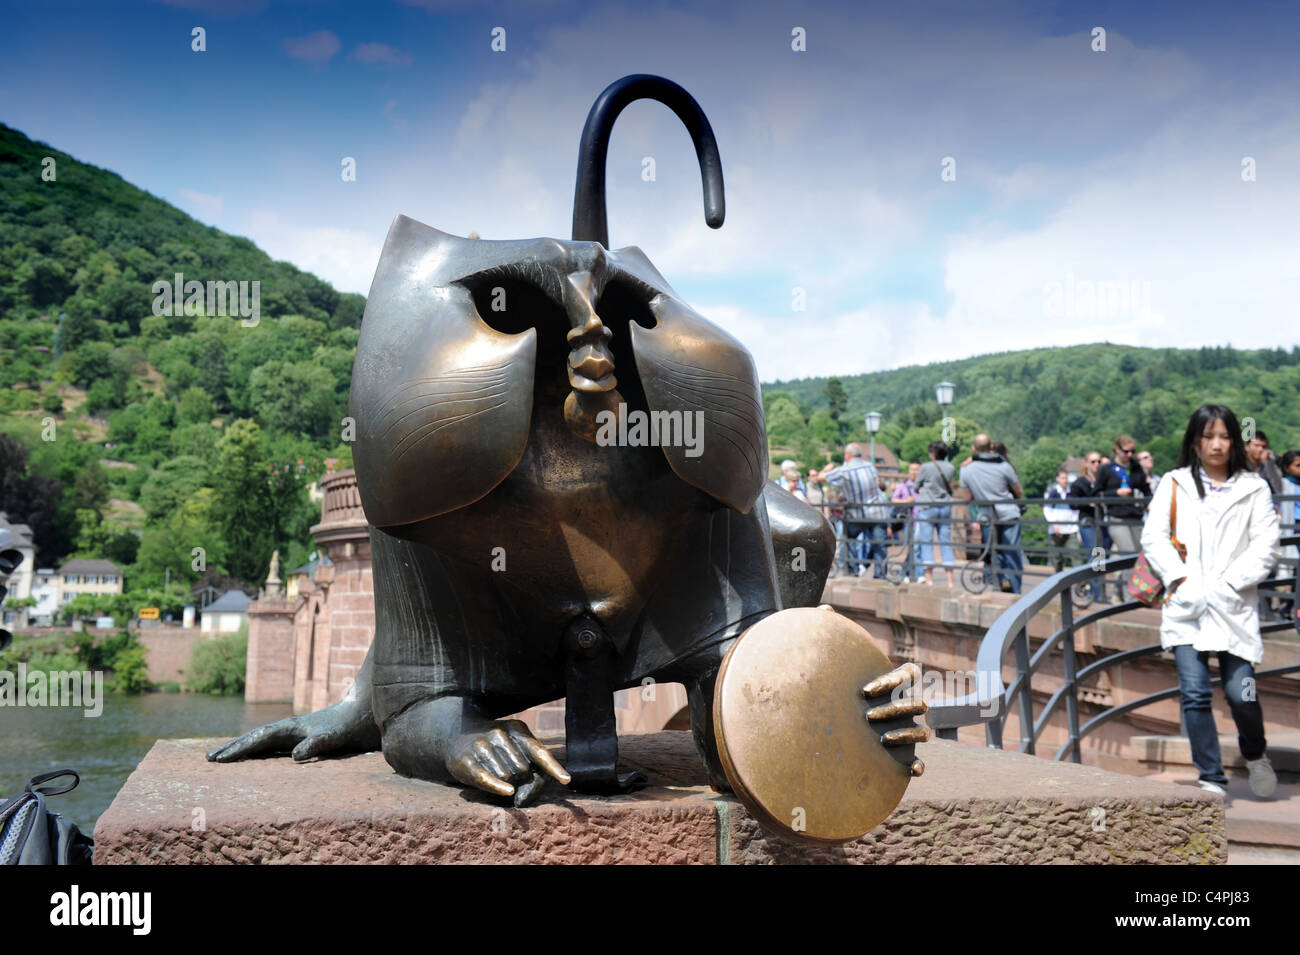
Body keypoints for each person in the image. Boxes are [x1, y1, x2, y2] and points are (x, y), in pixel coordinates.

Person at [1140, 403, 1280, 799]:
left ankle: (1256, 754)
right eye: (1208, 436)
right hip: (1187, 606)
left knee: (1242, 693)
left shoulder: (1253, 487)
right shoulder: (1174, 482)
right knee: (1196, 692)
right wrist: (1180, 578)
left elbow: (1266, 547)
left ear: (1234, 440)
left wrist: (1232, 583)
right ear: (1195, 441)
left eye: (1224, 436)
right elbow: (1153, 536)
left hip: (1234, 606)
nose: (1216, 445)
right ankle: (1211, 777)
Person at [958, 434, 1024, 593]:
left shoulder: (966, 470)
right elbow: (1019, 492)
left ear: (973, 449)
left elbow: (967, 496)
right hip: (1009, 513)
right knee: (1012, 551)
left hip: (986, 516)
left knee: (993, 551)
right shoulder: (1004, 466)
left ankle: (998, 582)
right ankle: (1015, 588)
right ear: (991, 447)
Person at [823, 444, 889, 578]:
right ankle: (880, 575)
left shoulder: (844, 470)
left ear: (847, 455)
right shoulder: (870, 466)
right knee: (879, 544)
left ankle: (853, 570)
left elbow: (821, 477)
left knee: (849, 538)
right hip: (877, 512)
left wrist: (827, 468)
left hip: (857, 514)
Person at [1094, 435, 1151, 556]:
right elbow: (1096, 493)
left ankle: (1124, 576)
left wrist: (1149, 502)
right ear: (1117, 449)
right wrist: (1116, 493)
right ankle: (1122, 575)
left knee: (1140, 556)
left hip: (1136, 516)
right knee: (1128, 555)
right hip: (1117, 517)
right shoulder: (1106, 469)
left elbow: (1145, 488)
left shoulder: (1136, 467)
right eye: (1126, 451)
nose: (1130, 454)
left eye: (1132, 451)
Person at [915, 441, 956, 586]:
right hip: (945, 506)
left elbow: (916, 486)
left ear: (932, 453)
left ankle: (930, 580)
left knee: (927, 542)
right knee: (945, 542)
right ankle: (950, 581)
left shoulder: (926, 467)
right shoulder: (950, 467)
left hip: (927, 506)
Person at [1069, 452, 1105, 601]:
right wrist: (1088, 502)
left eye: (1098, 462)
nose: (1096, 464)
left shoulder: (1102, 481)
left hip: (1102, 521)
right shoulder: (1080, 483)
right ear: (1086, 463)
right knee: (1096, 554)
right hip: (1088, 521)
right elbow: (1072, 503)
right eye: (1093, 462)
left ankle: (1088, 583)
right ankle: (1096, 594)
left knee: (1101, 556)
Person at [1044, 469, 1080, 573]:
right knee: (1057, 558)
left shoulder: (1071, 492)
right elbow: (1047, 509)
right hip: (1056, 529)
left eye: (1066, 478)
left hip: (1071, 528)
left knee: (1075, 554)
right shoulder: (1053, 493)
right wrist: (1054, 523)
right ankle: (1060, 582)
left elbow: (1075, 509)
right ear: (1058, 479)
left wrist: (1075, 522)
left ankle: (1080, 582)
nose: (1065, 480)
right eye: (1063, 478)